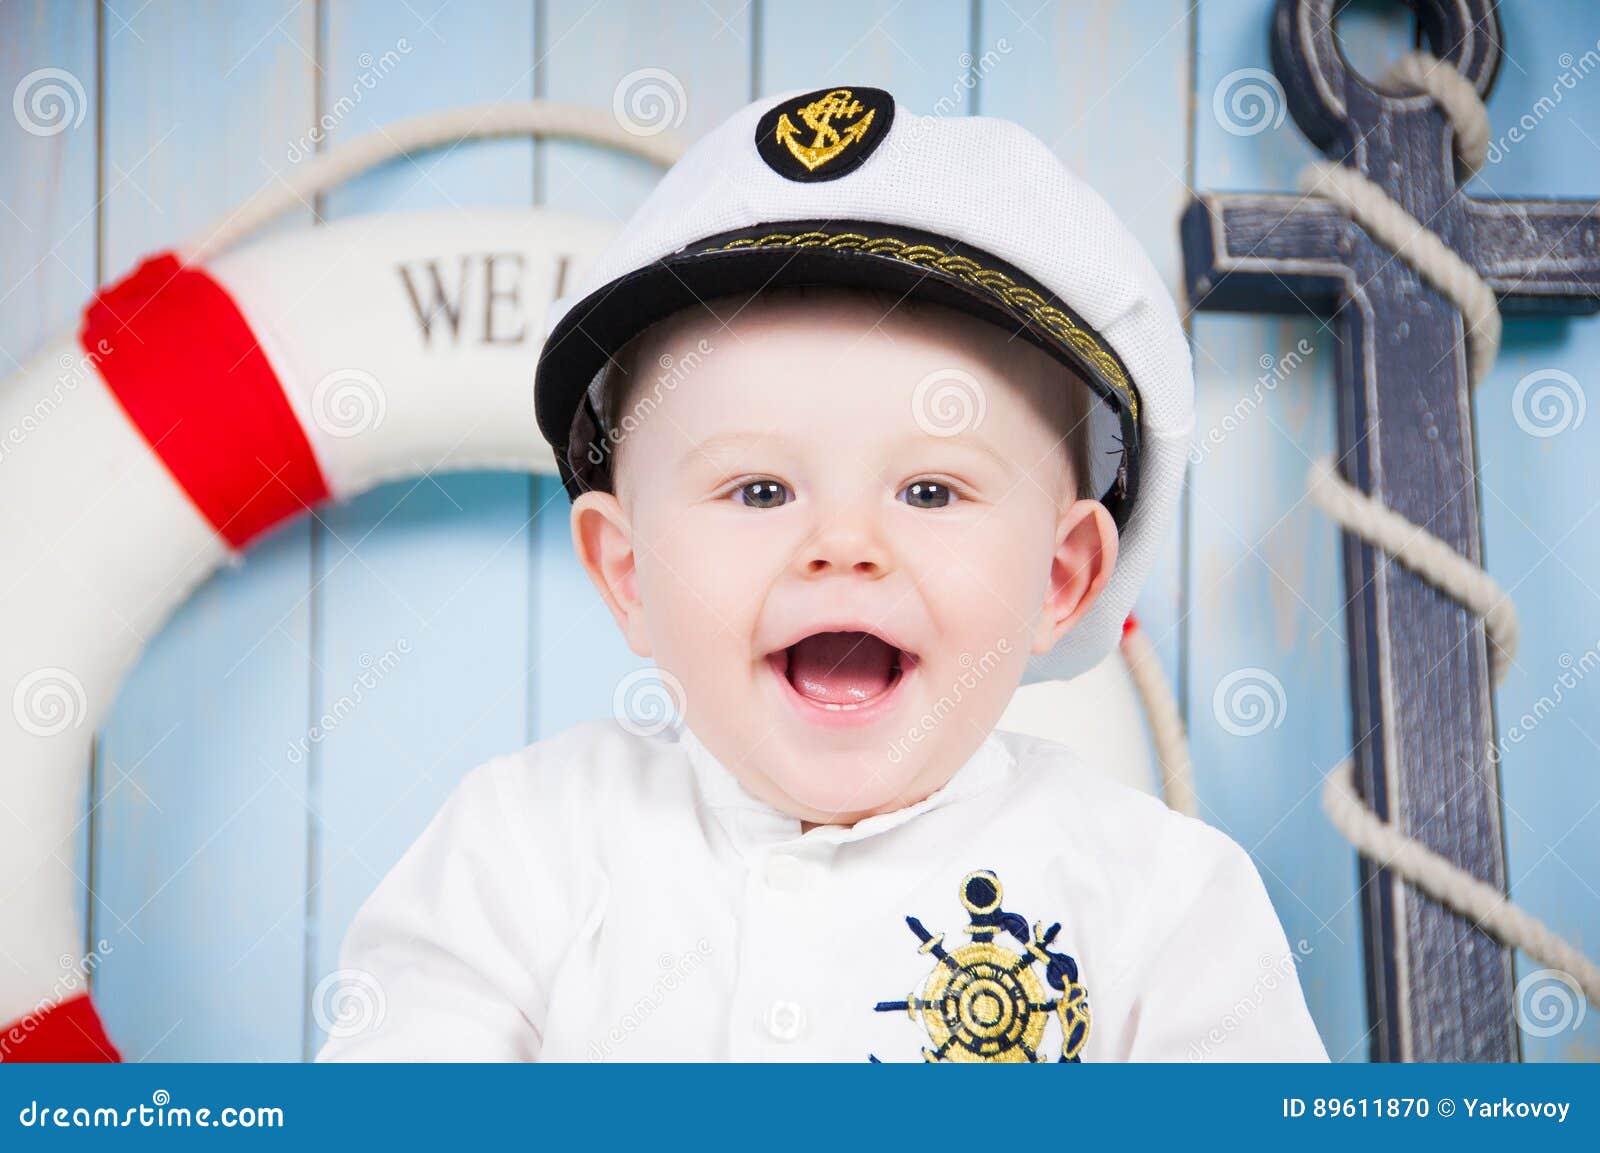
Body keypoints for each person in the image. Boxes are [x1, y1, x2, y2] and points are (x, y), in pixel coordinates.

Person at [317, 85, 1328, 1062]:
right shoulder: (518, 853)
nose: (843, 543)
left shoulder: (1162, 905)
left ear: (1061, 578)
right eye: (758, 491)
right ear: (625, 570)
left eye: (930, 491)